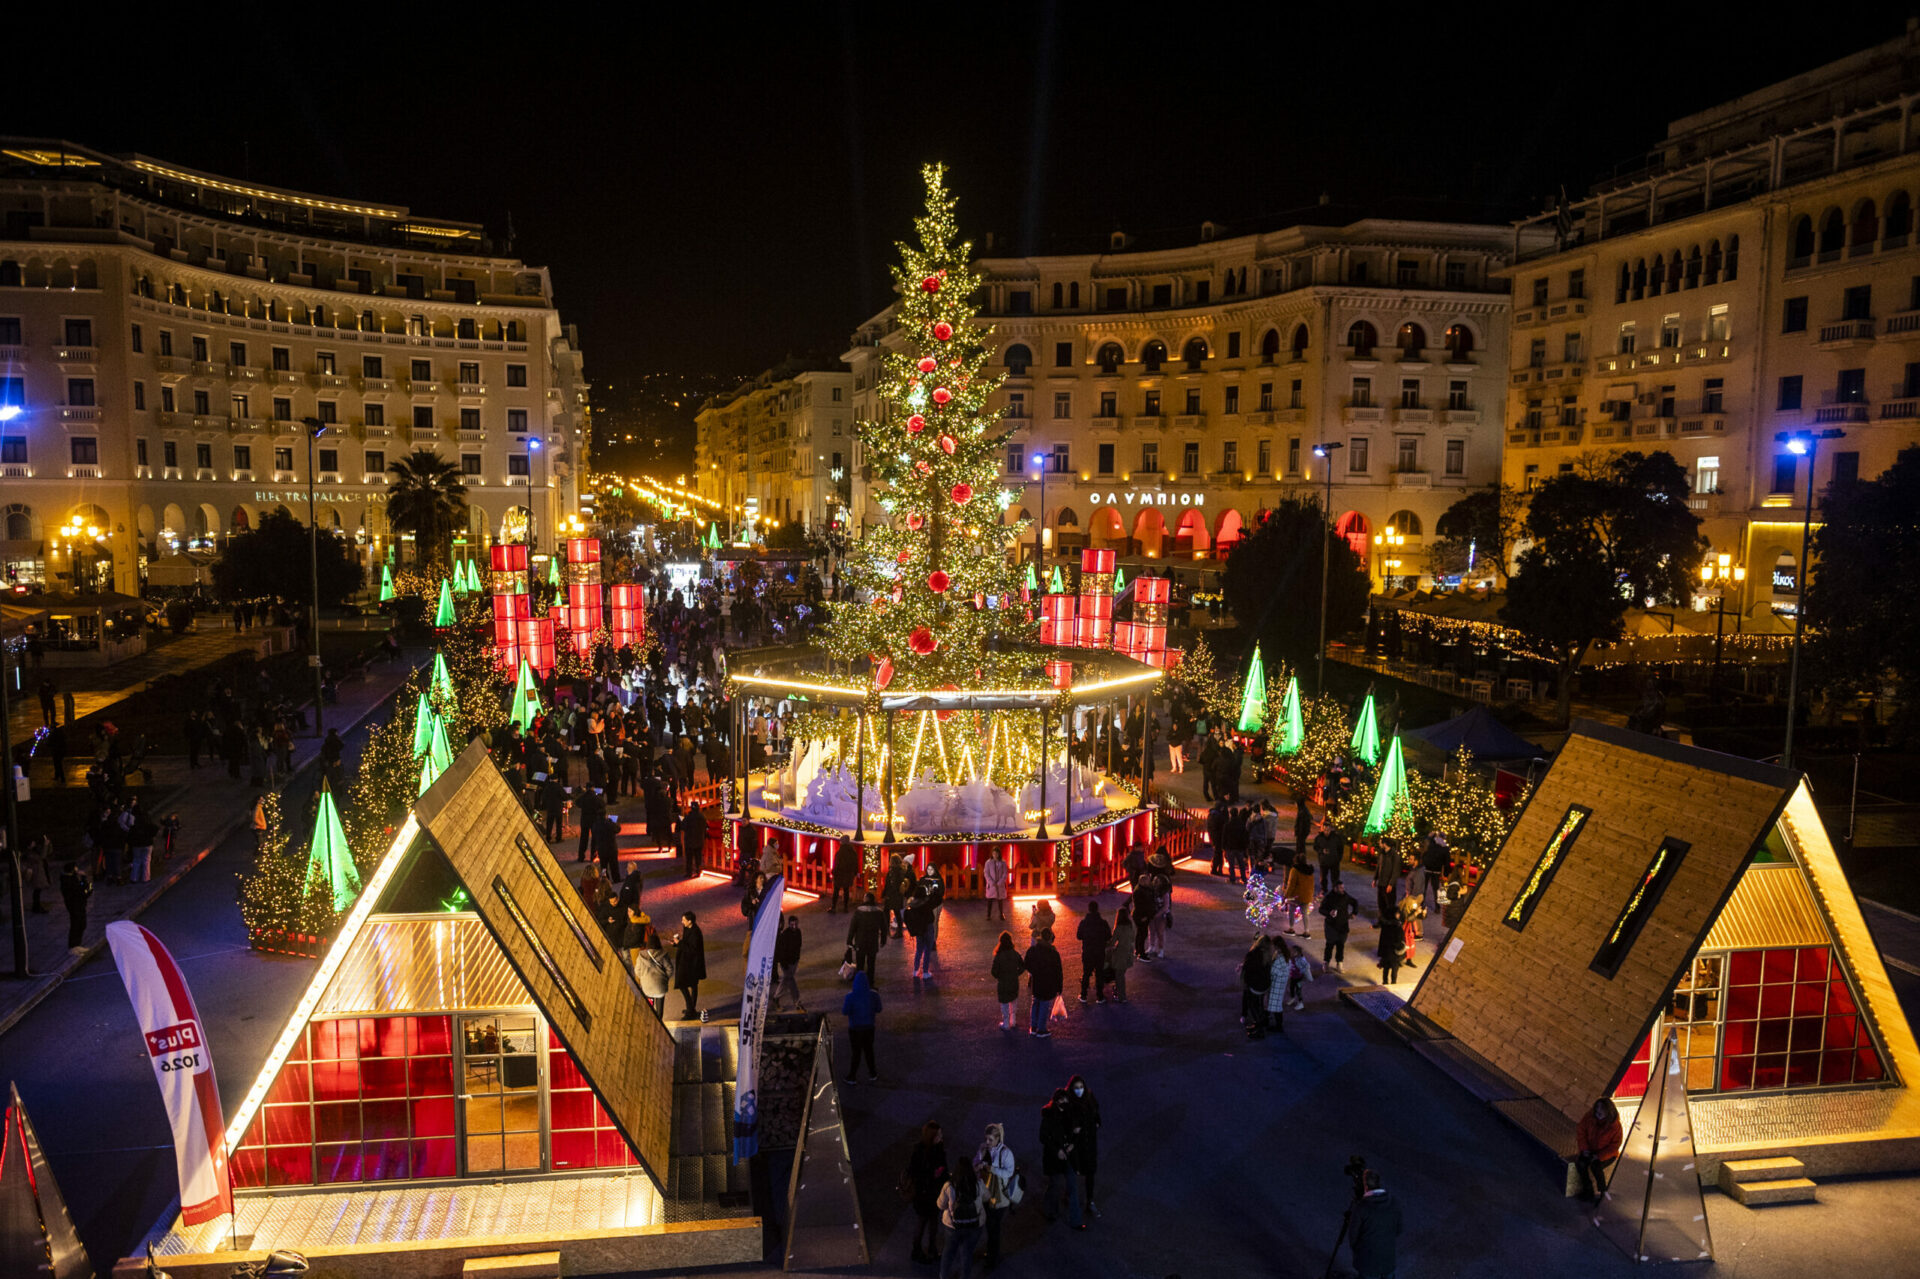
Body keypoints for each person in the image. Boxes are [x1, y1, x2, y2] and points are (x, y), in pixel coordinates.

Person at [1038, 1087, 1083, 1228]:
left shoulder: (1070, 1114)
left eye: (1066, 1099)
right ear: (1056, 1101)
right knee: (1055, 1186)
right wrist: (1057, 1150)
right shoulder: (1049, 1116)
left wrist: (1072, 1144)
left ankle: (1076, 1221)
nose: (1065, 1102)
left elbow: (1077, 1133)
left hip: (1068, 1156)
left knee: (1072, 1186)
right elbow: (1043, 1137)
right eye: (1062, 1100)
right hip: (1054, 1158)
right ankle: (1052, 1211)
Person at [936, 1155, 986, 1279]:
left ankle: (944, 1276)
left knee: (948, 1252)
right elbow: (987, 1197)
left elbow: (940, 1205)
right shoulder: (978, 1184)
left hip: (952, 1226)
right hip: (974, 1225)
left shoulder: (949, 1186)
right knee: (967, 1254)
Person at [904, 1120, 947, 1263]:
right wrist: (933, 1175)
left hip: (934, 1193)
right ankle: (917, 1250)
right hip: (923, 1195)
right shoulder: (919, 1151)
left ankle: (931, 1249)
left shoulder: (938, 1148)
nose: (941, 1137)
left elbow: (944, 1167)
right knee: (923, 1222)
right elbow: (914, 1172)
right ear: (932, 1136)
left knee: (932, 1222)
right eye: (939, 1135)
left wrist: (942, 1174)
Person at [1349, 1168, 1403, 1279]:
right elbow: (1399, 1229)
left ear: (1366, 1186)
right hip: (1388, 1262)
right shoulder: (1394, 1203)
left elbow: (1353, 1238)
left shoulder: (1360, 1208)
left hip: (1368, 1265)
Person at [977, 1124, 1016, 1269]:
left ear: (998, 1138)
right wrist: (980, 1160)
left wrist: (992, 1169)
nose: (987, 1142)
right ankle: (991, 1252)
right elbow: (976, 1161)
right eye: (986, 1139)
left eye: (990, 1140)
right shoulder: (984, 1148)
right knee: (989, 1226)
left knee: (994, 1228)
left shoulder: (1006, 1153)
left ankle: (993, 1257)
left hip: (1000, 1196)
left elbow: (1009, 1173)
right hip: (986, 1193)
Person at [1064, 1074, 1102, 1219]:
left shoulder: (1089, 1099)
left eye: (1081, 1087)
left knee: (1090, 1173)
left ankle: (1090, 1201)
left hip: (1090, 1144)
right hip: (1076, 1145)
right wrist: (1072, 1130)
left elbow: (1096, 1113)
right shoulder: (1070, 1104)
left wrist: (1097, 1123)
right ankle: (1068, 1195)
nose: (1079, 1090)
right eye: (1076, 1088)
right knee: (1073, 1172)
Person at [1573, 1097, 1623, 1201]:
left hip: (1606, 1154)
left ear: (1608, 1111)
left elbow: (1614, 1146)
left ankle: (1602, 1194)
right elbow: (1581, 1131)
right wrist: (1584, 1148)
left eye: (1602, 1109)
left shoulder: (1615, 1126)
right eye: (1597, 1109)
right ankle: (1588, 1190)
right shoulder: (1589, 1117)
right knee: (1581, 1164)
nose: (1598, 1112)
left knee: (1596, 1167)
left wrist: (1599, 1156)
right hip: (1590, 1150)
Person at [842, 969, 882, 1084]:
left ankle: (852, 1076)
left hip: (855, 1028)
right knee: (869, 1050)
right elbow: (879, 1009)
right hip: (869, 1028)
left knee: (856, 1053)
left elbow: (845, 1011)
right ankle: (873, 1073)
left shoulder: (850, 996)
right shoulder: (874, 995)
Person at [1023, 928, 1064, 1038]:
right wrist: (1059, 987)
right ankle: (1041, 1029)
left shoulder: (1033, 950)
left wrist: (1034, 972)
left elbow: (1026, 963)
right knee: (1044, 1004)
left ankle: (1034, 1027)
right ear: (1050, 939)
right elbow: (1058, 971)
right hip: (1048, 982)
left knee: (1036, 1002)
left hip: (1037, 981)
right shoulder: (1053, 953)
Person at [846, 890, 886, 987]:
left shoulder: (858, 912)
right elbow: (884, 928)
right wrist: (883, 940)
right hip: (872, 942)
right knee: (871, 964)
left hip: (860, 942)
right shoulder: (879, 912)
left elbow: (853, 927)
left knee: (860, 964)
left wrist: (849, 940)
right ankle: (870, 983)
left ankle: (859, 984)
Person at [1075, 900, 1111, 1005]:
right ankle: (1100, 996)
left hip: (1088, 952)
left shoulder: (1084, 923)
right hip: (1100, 952)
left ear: (1089, 909)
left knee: (1086, 973)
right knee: (1099, 974)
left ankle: (1083, 995)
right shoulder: (1103, 923)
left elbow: (1079, 936)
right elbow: (1108, 936)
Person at [673, 912, 706, 1019]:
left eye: (684, 920)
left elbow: (692, 949)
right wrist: (677, 943)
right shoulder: (688, 929)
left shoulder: (696, 933)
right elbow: (686, 944)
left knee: (685, 985)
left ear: (689, 921)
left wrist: (679, 943)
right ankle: (691, 1008)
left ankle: (690, 1010)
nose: (682, 922)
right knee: (692, 986)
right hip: (688, 963)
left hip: (692, 965)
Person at [1320, 878, 1357, 972]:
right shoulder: (1329, 897)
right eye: (1340, 888)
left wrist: (1354, 913)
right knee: (1330, 945)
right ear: (1335, 888)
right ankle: (1326, 963)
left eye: (1343, 887)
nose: (1342, 890)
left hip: (1343, 925)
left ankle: (1339, 964)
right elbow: (1321, 909)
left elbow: (1355, 902)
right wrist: (1329, 913)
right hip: (1331, 926)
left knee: (1341, 946)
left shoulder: (1345, 896)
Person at [634, 933, 674, 1019]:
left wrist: (644, 978)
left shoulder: (641, 956)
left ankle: (650, 1024)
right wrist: (665, 979)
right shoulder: (663, 955)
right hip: (660, 987)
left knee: (650, 1008)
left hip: (647, 988)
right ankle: (659, 1024)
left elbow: (637, 971)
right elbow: (670, 969)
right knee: (659, 1011)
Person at [990, 931, 1024, 1030]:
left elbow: (993, 971)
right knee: (1013, 1002)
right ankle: (1013, 1021)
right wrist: (1016, 973)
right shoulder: (1015, 954)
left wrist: (1000, 976)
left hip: (1003, 983)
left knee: (1004, 1003)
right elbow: (1022, 966)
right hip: (1014, 982)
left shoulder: (999, 956)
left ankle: (1006, 1023)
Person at [1241, 936, 1273, 1034]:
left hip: (1255, 985)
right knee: (1259, 1003)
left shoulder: (1253, 954)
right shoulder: (1269, 955)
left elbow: (1247, 969)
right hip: (1265, 985)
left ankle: (1258, 1028)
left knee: (1252, 1005)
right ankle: (1262, 1022)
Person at [773, 914, 804, 1013]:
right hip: (786, 963)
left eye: (795, 924)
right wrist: (784, 963)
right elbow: (781, 951)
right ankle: (797, 1001)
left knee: (787, 980)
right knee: (790, 980)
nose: (794, 926)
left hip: (793, 962)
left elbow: (799, 946)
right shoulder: (785, 935)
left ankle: (777, 998)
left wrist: (797, 959)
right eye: (792, 924)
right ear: (789, 924)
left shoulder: (798, 932)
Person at [1105, 906, 1135, 1004]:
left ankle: (1122, 996)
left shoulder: (1119, 928)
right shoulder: (1131, 927)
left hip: (1120, 954)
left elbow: (1112, 942)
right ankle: (1121, 995)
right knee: (1121, 975)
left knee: (1119, 976)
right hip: (1129, 953)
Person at [60, 861, 91, 952]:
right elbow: (81, 891)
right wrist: (87, 889)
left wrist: (83, 880)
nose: (77, 869)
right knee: (77, 924)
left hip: (79, 904)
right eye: (75, 867)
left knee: (81, 924)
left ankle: (77, 944)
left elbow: (82, 887)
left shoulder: (72, 878)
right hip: (75, 905)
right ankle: (74, 945)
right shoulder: (68, 881)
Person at [1283, 850, 1316, 937]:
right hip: (1306, 896)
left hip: (1295, 896)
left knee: (1291, 911)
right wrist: (1310, 896)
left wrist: (1286, 896)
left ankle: (1291, 928)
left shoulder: (1295, 870)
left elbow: (1291, 885)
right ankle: (1307, 932)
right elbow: (1312, 885)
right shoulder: (1310, 871)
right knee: (1305, 913)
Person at [882, 853, 913, 937]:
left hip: (893, 895)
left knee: (889, 912)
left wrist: (885, 893)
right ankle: (898, 931)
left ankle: (890, 930)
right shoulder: (901, 871)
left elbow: (890, 884)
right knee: (895, 912)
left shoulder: (893, 872)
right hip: (897, 896)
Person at [678, 796, 707, 878]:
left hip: (689, 841)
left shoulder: (688, 817)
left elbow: (683, 827)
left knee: (689, 858)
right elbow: (705, 827)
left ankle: (689, 872)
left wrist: (681, 820)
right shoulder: (702, 817)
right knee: (698, 857)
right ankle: (698, 871)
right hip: (699, 840)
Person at [1378, 907, 1407, 986]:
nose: (1398, 915)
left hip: (1387, 952)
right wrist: (1400, 946)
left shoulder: (1386, 925)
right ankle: (1393, 984)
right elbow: (1400, 939)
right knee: (1394, 970)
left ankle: (1385, 983)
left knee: (1386, 969)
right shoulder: (1397, 926)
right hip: (1394, 953)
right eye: (1397, 913)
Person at [829, 838, 859, 913]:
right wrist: (855, 872)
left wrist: (833, 872)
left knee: (836, 891)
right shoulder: (852, 852)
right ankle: (845, 907)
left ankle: (833, 907)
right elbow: (855, 863)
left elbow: (836, 863)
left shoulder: (840, 852)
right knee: (846, 891)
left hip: (840, 874)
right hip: (848, 875)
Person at [981, 847, 1008, 920]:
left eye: (996, 853)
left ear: (999, 854)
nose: (995, 855)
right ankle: (988, 915)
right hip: (991, 885)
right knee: (990, 900)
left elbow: (1005, 873)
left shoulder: (1003, 863)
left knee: (1000, 900)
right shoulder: (988, 862)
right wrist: (991, 882)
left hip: (1000, 885)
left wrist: (999, 882)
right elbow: (986, 873)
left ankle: (1001, 914)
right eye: (994, 854)